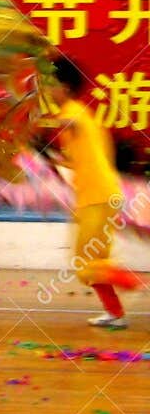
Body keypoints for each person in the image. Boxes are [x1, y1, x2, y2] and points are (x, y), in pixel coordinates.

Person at [47, 55, 145, 329]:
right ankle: (115, 314)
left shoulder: (71, 114)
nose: (47, 89)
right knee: (96, 261)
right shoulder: (82, 114)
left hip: (97, 199)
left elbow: (69, 125)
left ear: (64, 88)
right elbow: (92, 155)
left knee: (83, 263)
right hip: (101, 196)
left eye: (50, 83)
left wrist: (34, 126)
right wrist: (57, 161)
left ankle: (135, 282)